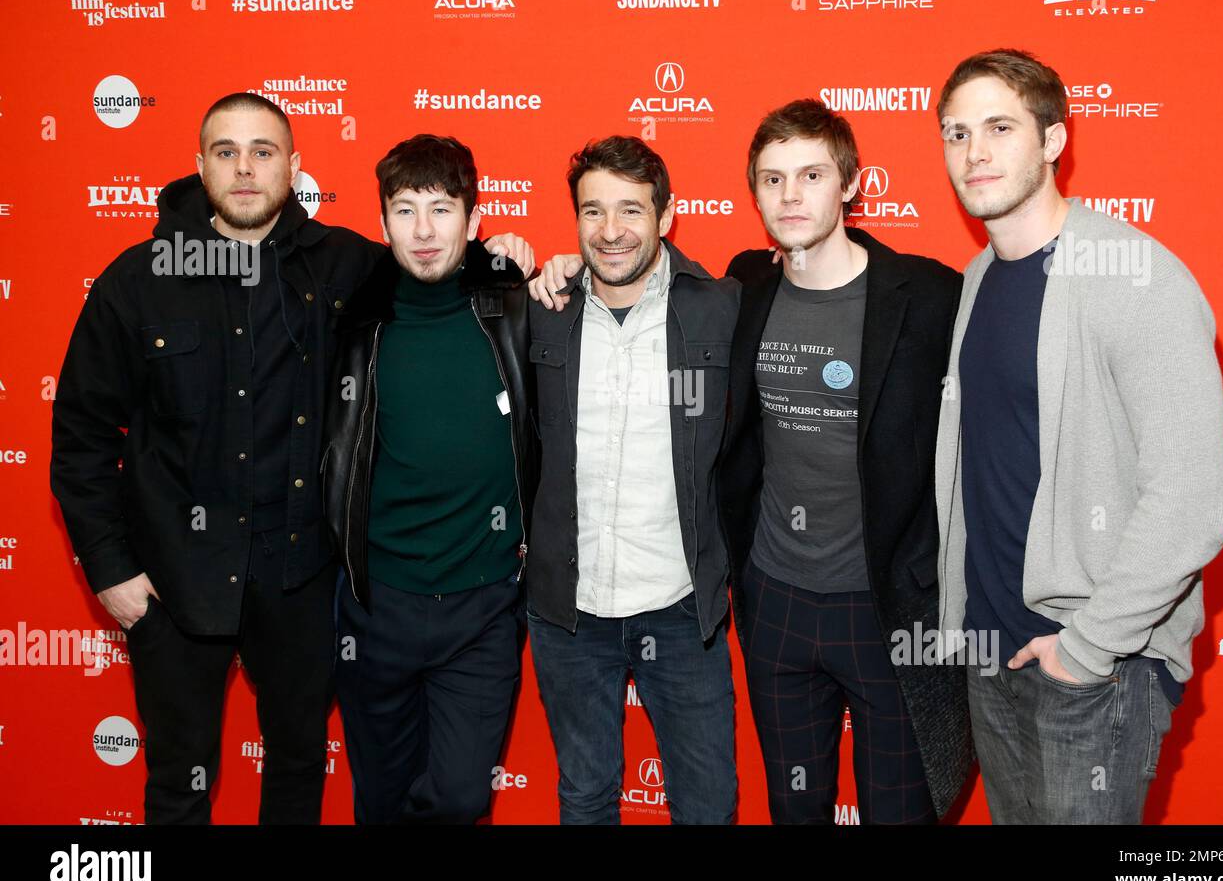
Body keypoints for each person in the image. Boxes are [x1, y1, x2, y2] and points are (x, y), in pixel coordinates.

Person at [50, 93, 534, 824]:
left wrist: (508, 260)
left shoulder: (343, 265)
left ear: (295, 167)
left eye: (264, 152)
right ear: (199, 164)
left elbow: (434, 264)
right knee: (179, 781)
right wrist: (111, 570)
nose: (245, 170)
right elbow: (82, 434)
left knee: (299, 768)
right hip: (175, 582)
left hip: (300, 580)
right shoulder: (139, 278)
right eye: (226, 152)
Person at [933, 49, 1223, 823]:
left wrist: (1088, 647)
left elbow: (1195, 498)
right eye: (956, 133)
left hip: (1095, 666)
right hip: (992, 650)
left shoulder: (1135, 276)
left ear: (1054, 141)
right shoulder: (975, 279)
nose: (975, 152)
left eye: (1000, 127)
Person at [720, 100, 971, 823]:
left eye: (811, 175)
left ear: (851, 184)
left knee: (902, 813)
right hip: (775, 602)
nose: (790, 196)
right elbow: (641, 275)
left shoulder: (929, 295)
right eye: (772, 179)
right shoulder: (747, 285)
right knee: (796, 809)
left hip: (890, 606)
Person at [525, 136, 740, 823]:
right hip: (569, 610)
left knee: (707, 806)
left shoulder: (720, 307)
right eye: (593, 212)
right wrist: (498, 251)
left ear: (667, 215)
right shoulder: (541, 309)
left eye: (630, 210)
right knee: (584, 798)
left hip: (681, 609)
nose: (611, 231)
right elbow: (432, 271)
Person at [321, 134, 534, 824]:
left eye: (441, 209)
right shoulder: (351, 320)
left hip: (483, 608)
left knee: (463, 797)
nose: (422, 230)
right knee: (380, 800)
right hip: (378, 605)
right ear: (382, 221)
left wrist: (534, 259)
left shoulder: (517, 307)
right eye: (404, 209)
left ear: (473, 221)